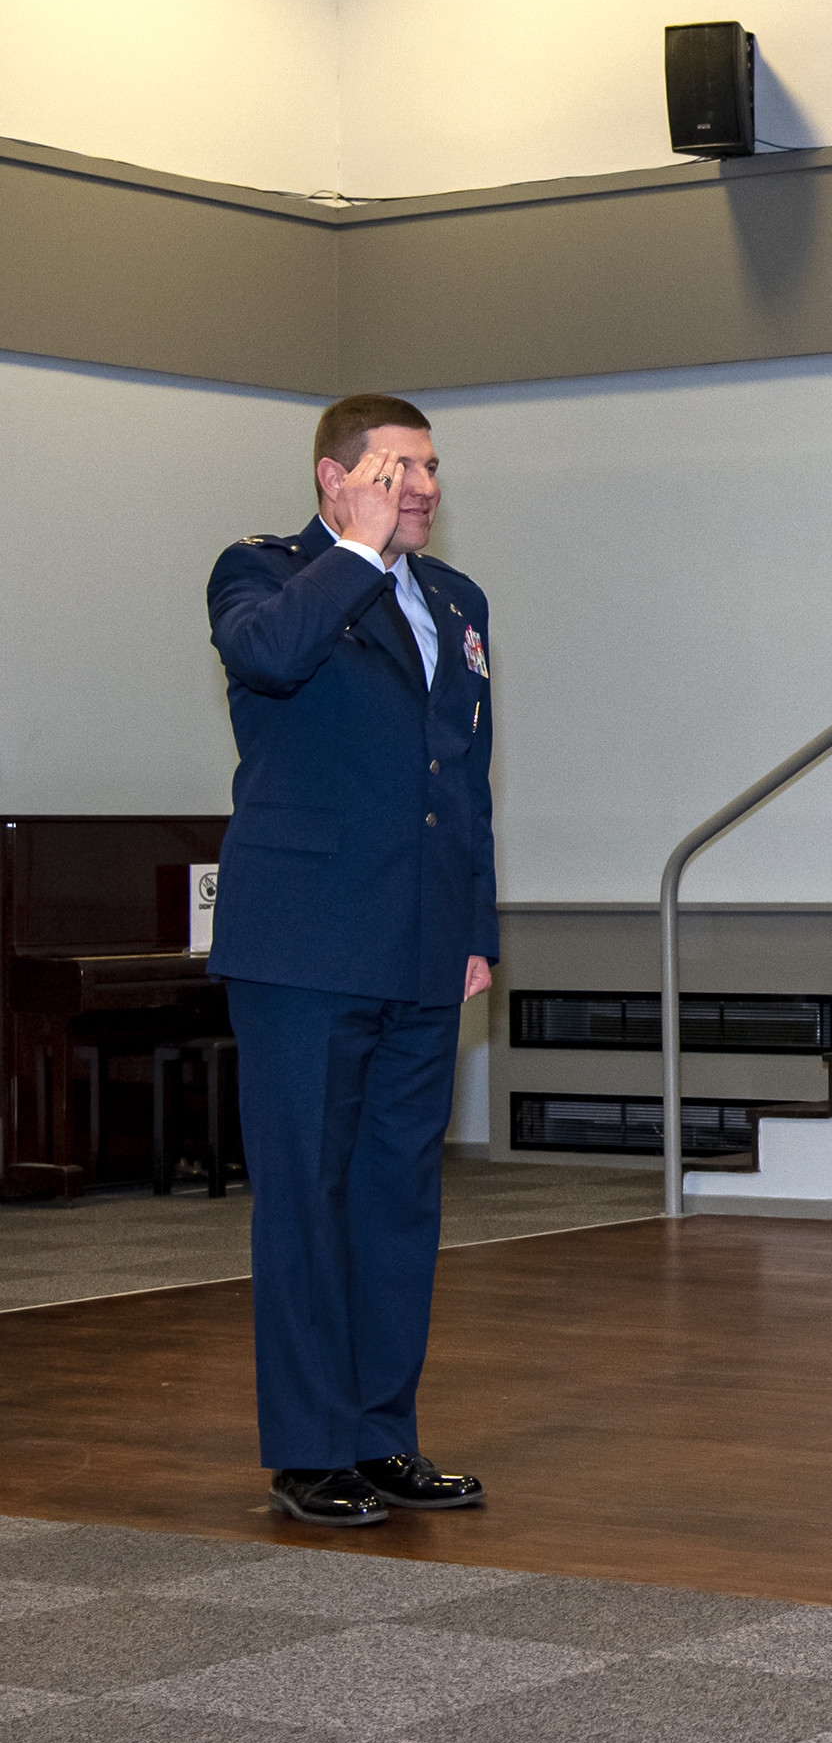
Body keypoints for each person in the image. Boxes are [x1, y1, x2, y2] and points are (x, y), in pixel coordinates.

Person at [207, 394, 500, 1526]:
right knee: (305, 1201)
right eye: (393, 468)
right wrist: (356, 553)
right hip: (306, 947)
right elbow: (269, 659)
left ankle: (382, 1437)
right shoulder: (266, 573)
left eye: (429, 467)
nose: (420, 486)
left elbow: (463, 784)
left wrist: (476, 930)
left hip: (424, 945)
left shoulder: (458, 600)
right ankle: (309, 1447)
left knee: (395, 1200)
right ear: (335, 479)